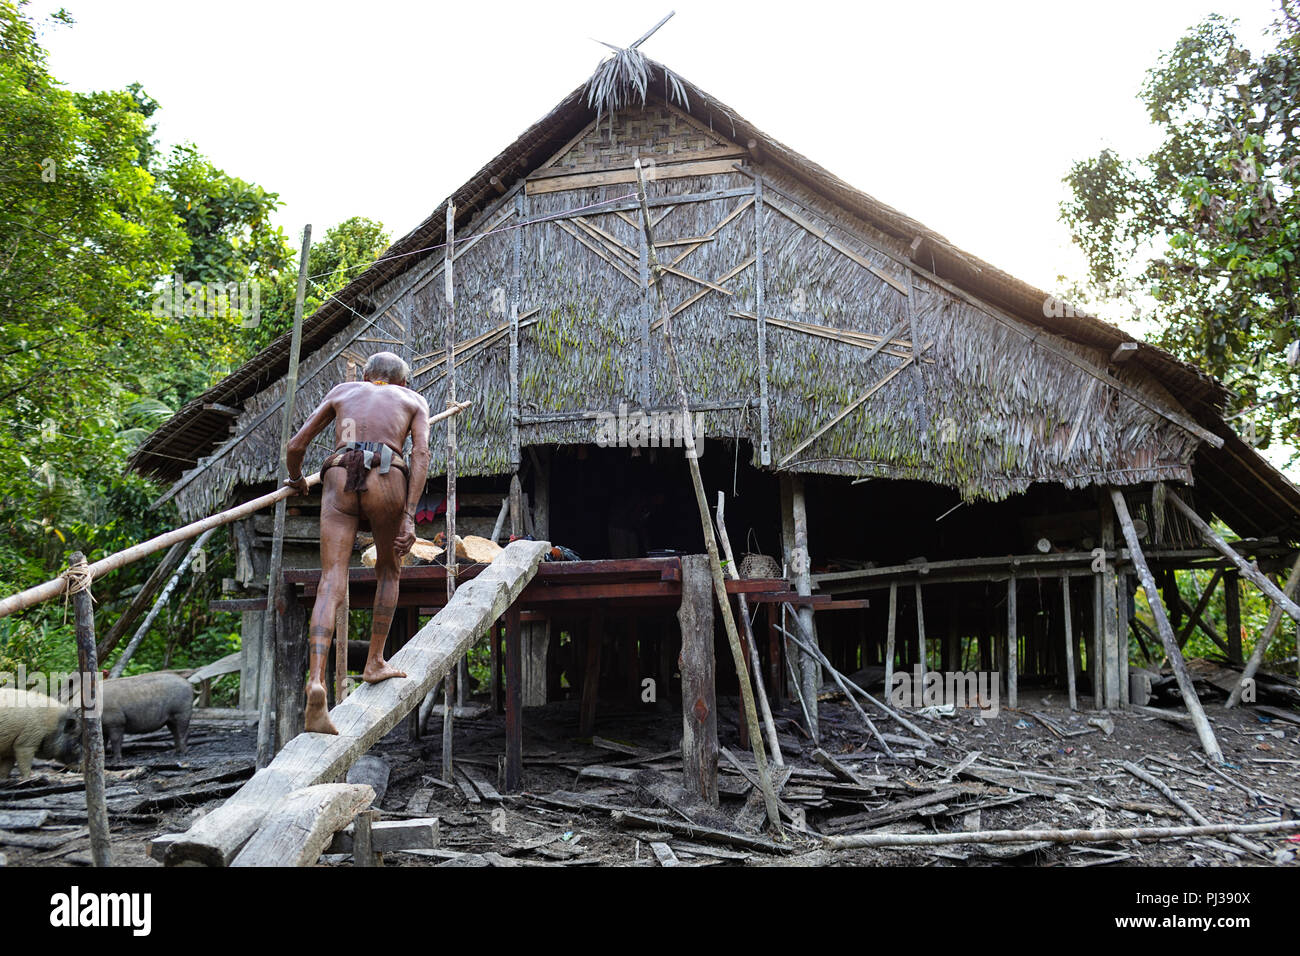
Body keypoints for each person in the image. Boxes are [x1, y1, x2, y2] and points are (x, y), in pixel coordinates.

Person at [283, 352, 431, 735]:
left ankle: (316, 679)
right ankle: (375, 661)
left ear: (366, 376)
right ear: (402, 383)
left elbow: (296, 445)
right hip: (387, 473)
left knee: (332, 579)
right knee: (388, 570)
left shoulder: (342, 391)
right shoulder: (412, 400)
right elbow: (422, 455)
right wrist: (409, 515)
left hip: (337, 473)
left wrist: (297, 479)